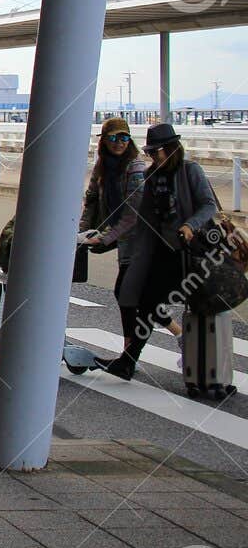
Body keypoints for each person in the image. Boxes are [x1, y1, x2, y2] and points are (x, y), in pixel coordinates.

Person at [99, 123, 217, 380]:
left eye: (157, 151)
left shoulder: (190, 170)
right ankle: (129, 361)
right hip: (164, 252)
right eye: (150, 152)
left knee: (187, 306)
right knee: (145, 302)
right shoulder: (152, 176)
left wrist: (190, 225)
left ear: (172, 148)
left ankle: (201, 364)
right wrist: (129, 250)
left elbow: (209, 206)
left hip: (192, 252)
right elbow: (146, 219)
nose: (153, 156)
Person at [77, 117, 147, 364]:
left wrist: (105, 237)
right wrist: (82, 233)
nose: (119, 142)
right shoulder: (103, 166)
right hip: (123, 237)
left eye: (124, 137)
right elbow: (91, 199)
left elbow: (134, 213)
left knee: (127, 293)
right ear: (104, 141)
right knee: (135, 296)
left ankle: (129, 357)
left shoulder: (135, 167)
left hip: (141, 239)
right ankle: (129, 357)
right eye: (114, 137)